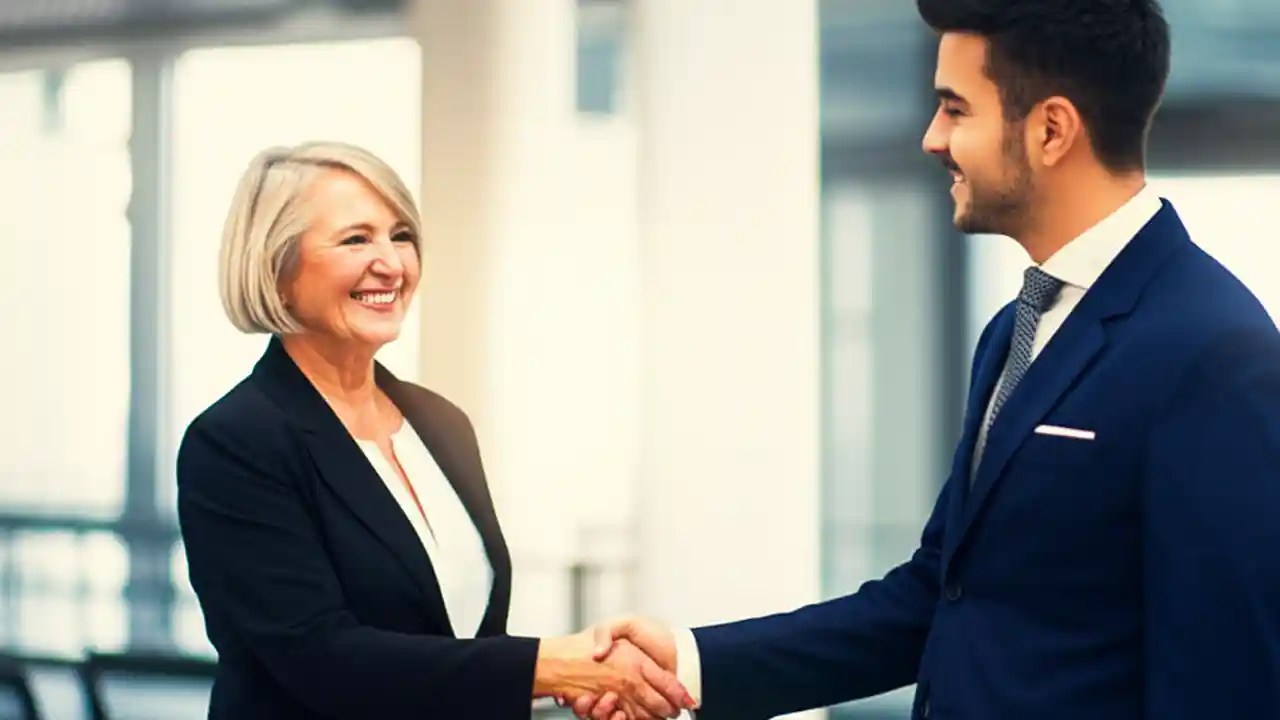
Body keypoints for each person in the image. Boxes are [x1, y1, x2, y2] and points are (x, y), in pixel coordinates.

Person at [575, 0, 1280, 718]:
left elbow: (1226, 680)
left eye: (954, 109)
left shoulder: (1215, 351)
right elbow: (937, 597)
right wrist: (687, 662)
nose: (931, 138)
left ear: (1051, 130)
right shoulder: (1017, 329)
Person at [177, 141, 694, 719]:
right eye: (356, 238)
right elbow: (318, 658)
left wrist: (568, 679)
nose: (392, 263)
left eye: (400, 235)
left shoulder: (439, 423)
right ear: (277, 264)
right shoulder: (235, 441)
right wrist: (551, 666)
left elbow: (458, 641)